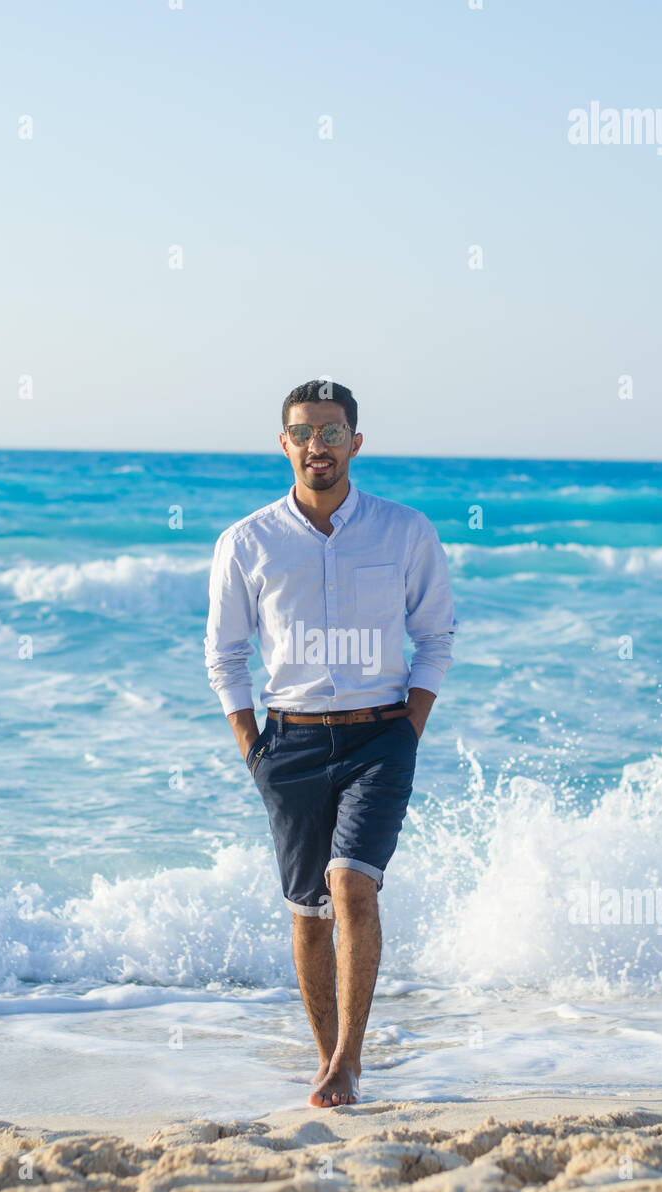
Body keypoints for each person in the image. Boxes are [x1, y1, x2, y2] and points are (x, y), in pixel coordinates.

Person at [204, 380, 455, 1106]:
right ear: (283, 443)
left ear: (356, 442)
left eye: (332, 431)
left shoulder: (405, 531)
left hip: (380, 737)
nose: (318, 445)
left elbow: (435, 637)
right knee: (309, 914)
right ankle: (325, 1059)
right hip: (289, 745)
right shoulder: (246, 541)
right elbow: (224, 655)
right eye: (304, 432)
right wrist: (253, 749)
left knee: (351, 886)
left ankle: (348, 1060)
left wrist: (407, 731)